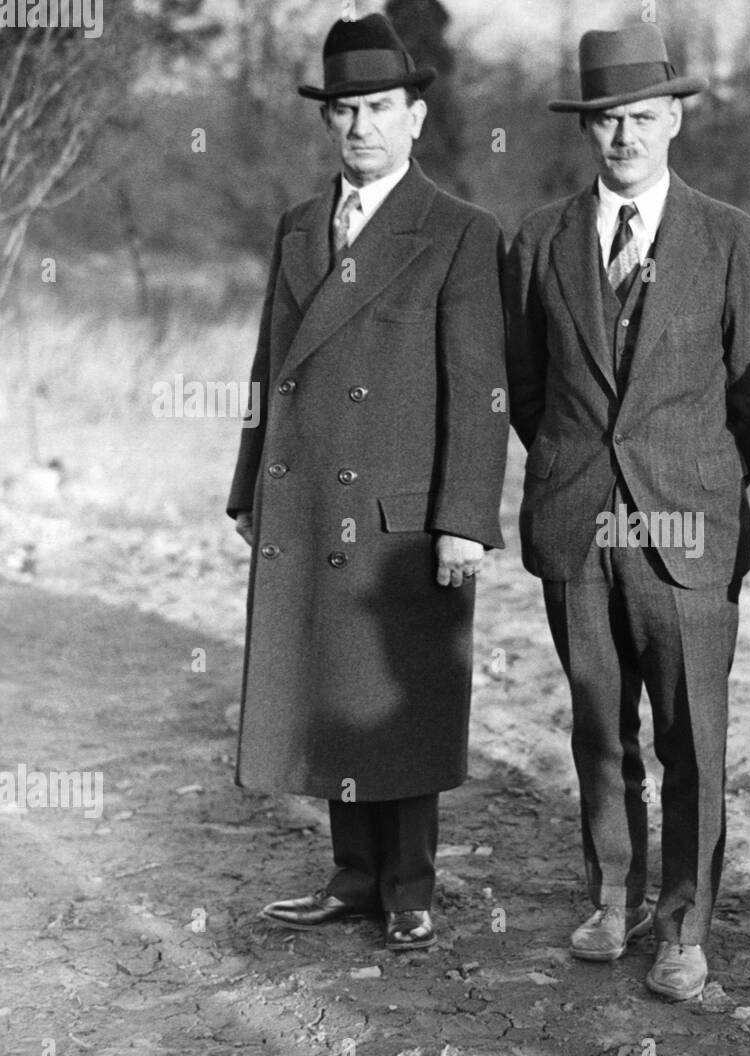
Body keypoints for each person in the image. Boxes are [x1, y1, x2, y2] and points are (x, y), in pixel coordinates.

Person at [505, 23, 750, 1000]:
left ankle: (686, 929)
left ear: (675, 118)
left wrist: (693, 477)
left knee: (691, 736)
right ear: (588, 129)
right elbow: (528, 391)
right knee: (597, 724)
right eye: (605, 119)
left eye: (640, 116)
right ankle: (611, 897)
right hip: (576, 523)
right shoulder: (536, 240)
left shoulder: (732, 240)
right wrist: (583, 472)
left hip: (686, 531)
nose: (622, 135)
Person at [226, 13, 509, 952]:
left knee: (403, 694)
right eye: (345, 110)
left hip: (403, 509)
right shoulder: (299, 227)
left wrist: (465, 517)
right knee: (326, 686)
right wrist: (247, 488)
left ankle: (411, 884)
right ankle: (353, 877)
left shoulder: (460, 231)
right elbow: (272, 371)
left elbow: (480, 391)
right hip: (307, 498)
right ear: (328, 121)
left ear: (415, 117)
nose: (361, 127)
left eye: (380, 108)